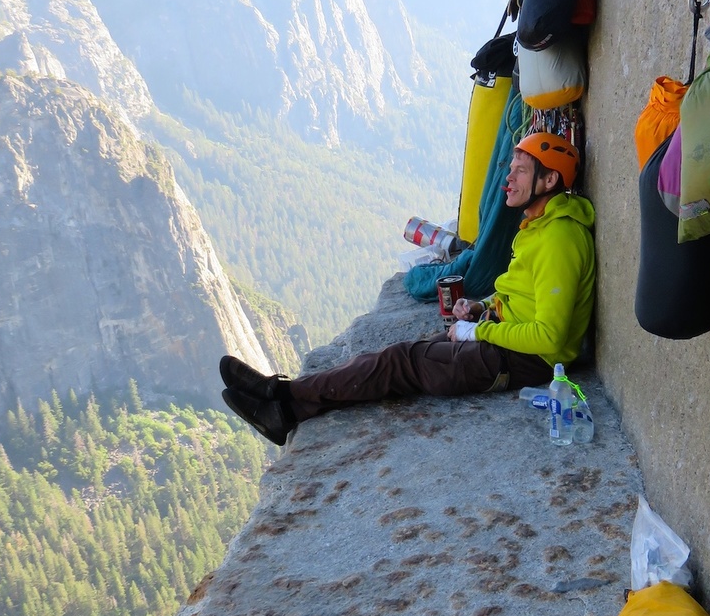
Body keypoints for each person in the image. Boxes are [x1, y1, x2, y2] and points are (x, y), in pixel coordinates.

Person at [220, 133, 595, 446]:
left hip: (522, 361)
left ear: (549, 181)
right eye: (510, 169)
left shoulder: (558, 239)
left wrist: (479, 330)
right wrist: (481, 309)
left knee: (402, 361)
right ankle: (286, 406)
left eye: (521, 171)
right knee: (394, 356)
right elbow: (523, 297)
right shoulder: (540, 227)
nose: (508, 180)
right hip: (503, 343)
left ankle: (281, 397)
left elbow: (551, 337)